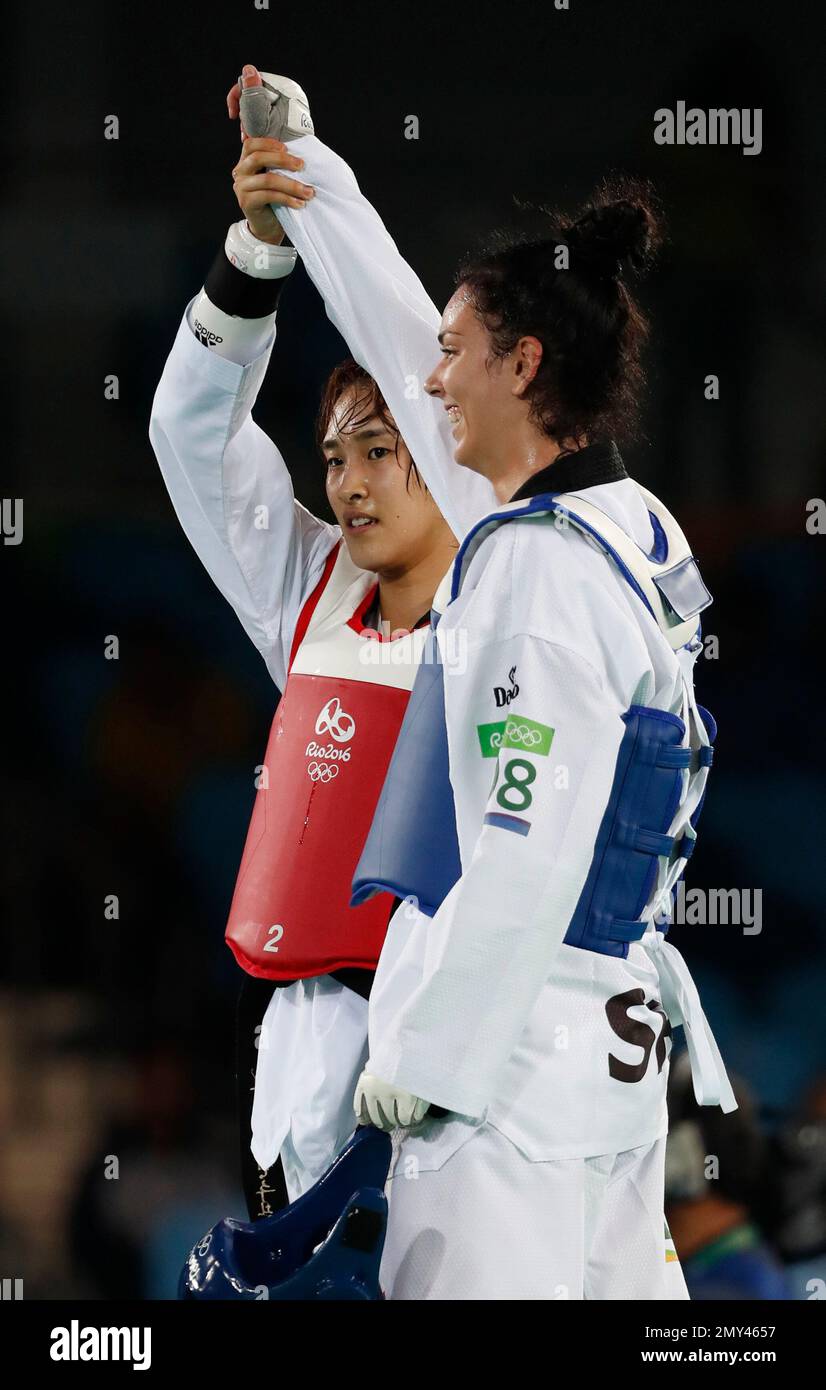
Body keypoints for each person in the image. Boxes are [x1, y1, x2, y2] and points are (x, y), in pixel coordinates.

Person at [248, 70, 737, 1298]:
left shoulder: (530, 570)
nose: (427, 382)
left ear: (522, 366)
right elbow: (400, 326)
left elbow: (522, 835)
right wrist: (314, 186)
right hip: (605, 1047)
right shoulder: (629, 523)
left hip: (508, 1074)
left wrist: (433, 1051)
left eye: (458, 357)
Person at [147, 72, 492, 1214]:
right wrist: (255, 253)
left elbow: (406, 347)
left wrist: (311, 185)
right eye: (332, 456)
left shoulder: (513, 595)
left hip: (461, 1062)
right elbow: (190, 437)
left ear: (443, 451)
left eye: (379, 451)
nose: (344, 484)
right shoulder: (309, 596)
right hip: (305, 1057)